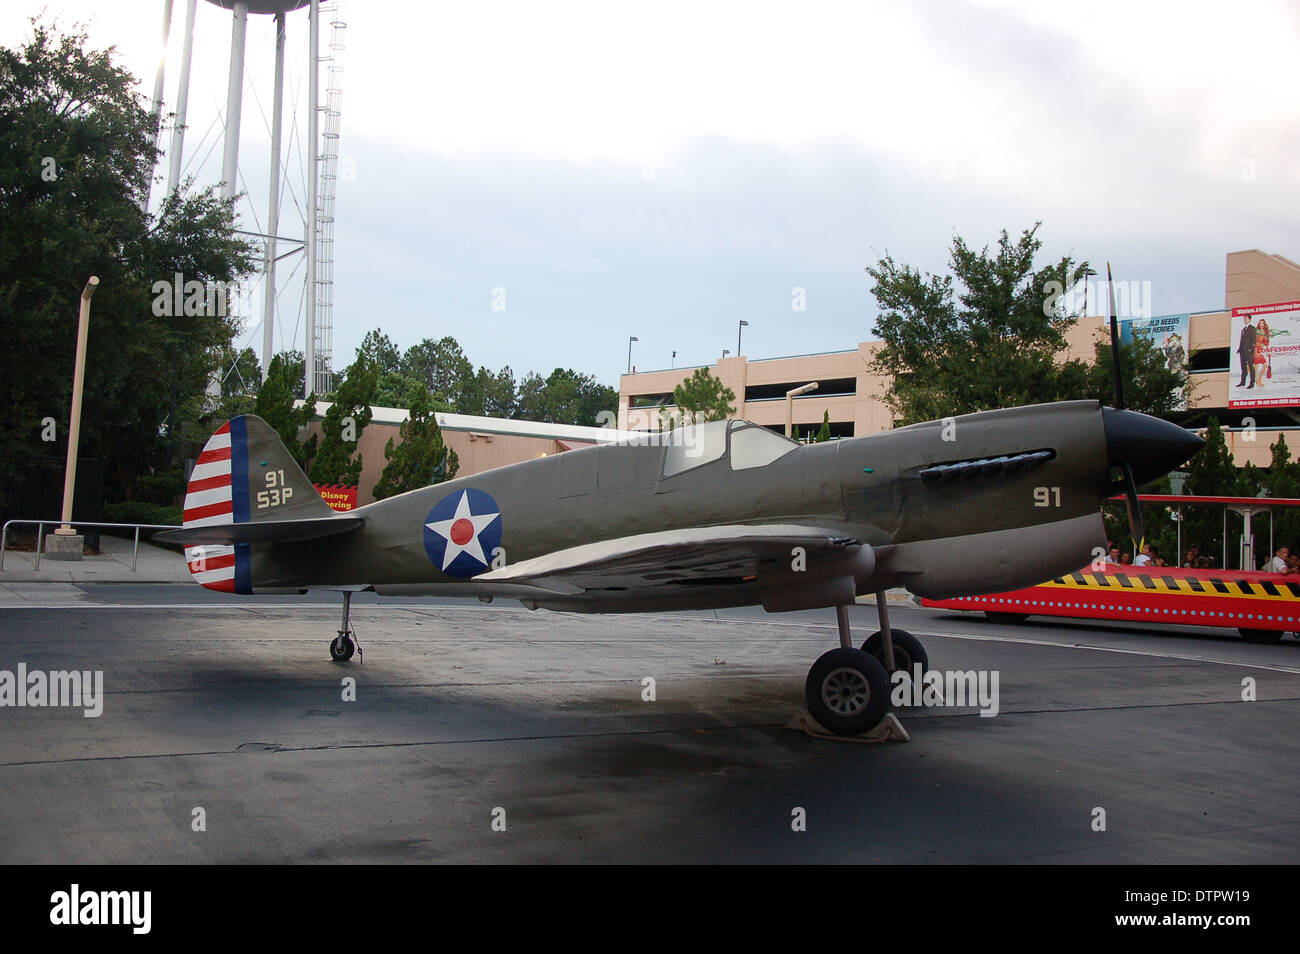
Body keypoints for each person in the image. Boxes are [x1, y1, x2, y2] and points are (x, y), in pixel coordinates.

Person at [1238, 315, 1258, 389]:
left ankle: (1252, 383)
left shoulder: (1252, 328)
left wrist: (1251, 348)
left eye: (1246, 318)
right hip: (1242, 351)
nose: (1244, 320)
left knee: (1250, 366)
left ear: (1250, 319)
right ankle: (1242, 382)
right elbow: (1241, 340)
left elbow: (1253, 339)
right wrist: (1239, 349)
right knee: (1243, 367)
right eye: (1244, 319)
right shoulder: (1243, 329)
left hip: (1249, 351)